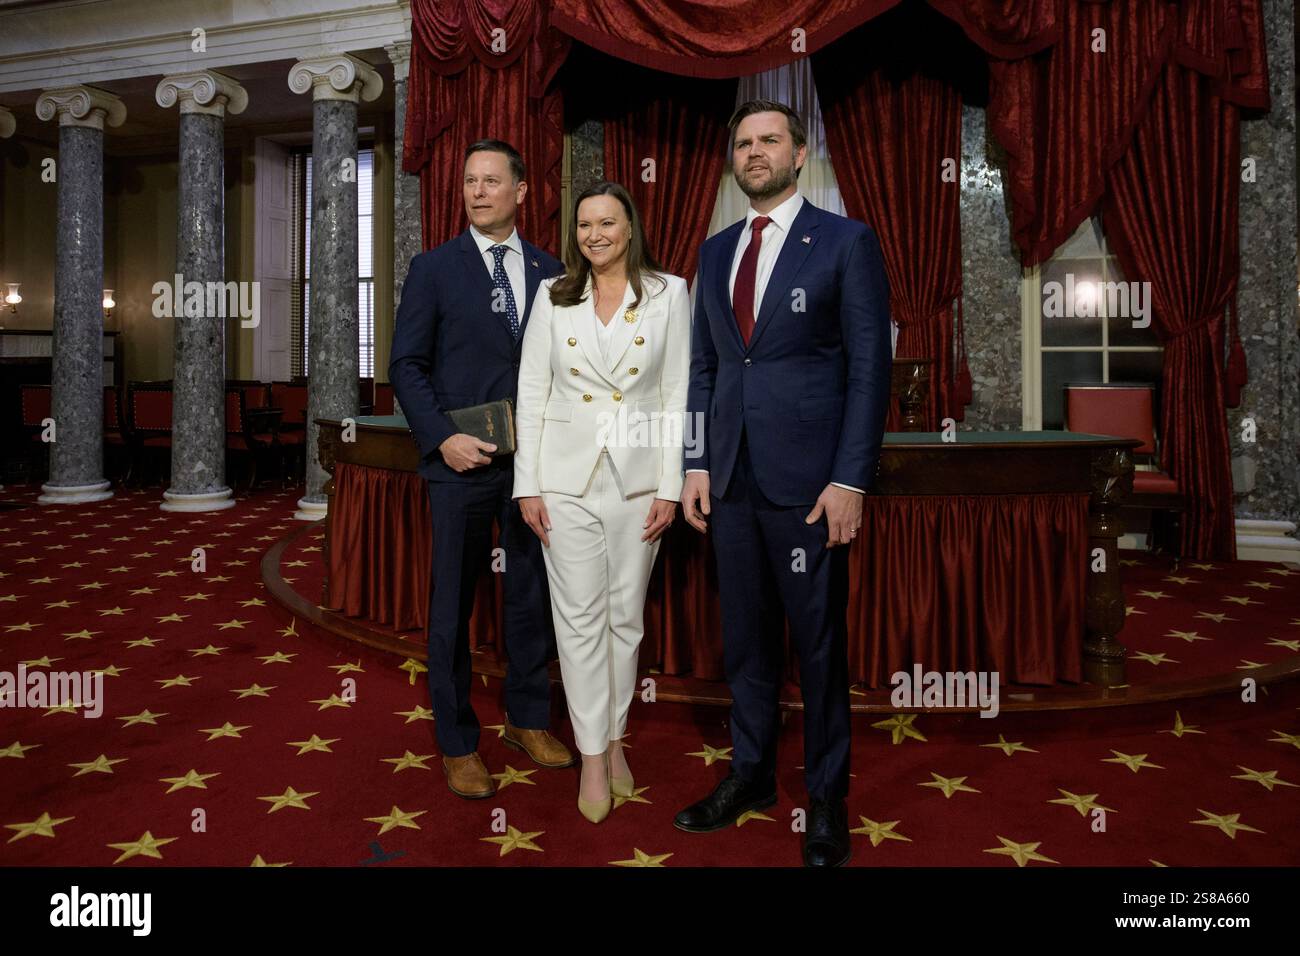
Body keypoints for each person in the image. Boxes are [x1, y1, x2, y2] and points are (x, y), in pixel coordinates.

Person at [674, 100, 893, 866]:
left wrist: (849, 480)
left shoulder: (845, 241)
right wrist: (695, 463)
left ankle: (827, 798)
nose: (754, 152)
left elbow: (870, 371)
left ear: (799, 154)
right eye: (743, 143)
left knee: (819, 649)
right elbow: (704, 368)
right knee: (744, 641)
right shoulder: (714, 252)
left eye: (769, 140)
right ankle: (752, 775)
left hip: (810, 489)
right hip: (731, 482)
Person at [389, 139, 574, 800]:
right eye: (470, 181)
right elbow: (405, 366)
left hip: (533, 470)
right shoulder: (434, 268)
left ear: (521, 191)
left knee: (530, 597)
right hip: (459, 467)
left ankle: (527, 719)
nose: (478, 191)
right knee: (452, 608)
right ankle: (458, 742)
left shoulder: (553, 271)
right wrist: (443, 439)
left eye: (492, 181)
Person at [513, 181, 690, 823]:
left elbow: (676, 393)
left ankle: (615, 739)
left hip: (638, 480)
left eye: (607, 222)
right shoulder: (554, 294)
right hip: (565, 478)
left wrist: (670, 486)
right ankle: (593, 754)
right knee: (579, 620)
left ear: (630, 227)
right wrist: (527, 484)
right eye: (585, 224)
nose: (595, 234)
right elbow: (532, 392)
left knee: (624, 618)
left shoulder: (669, 292)